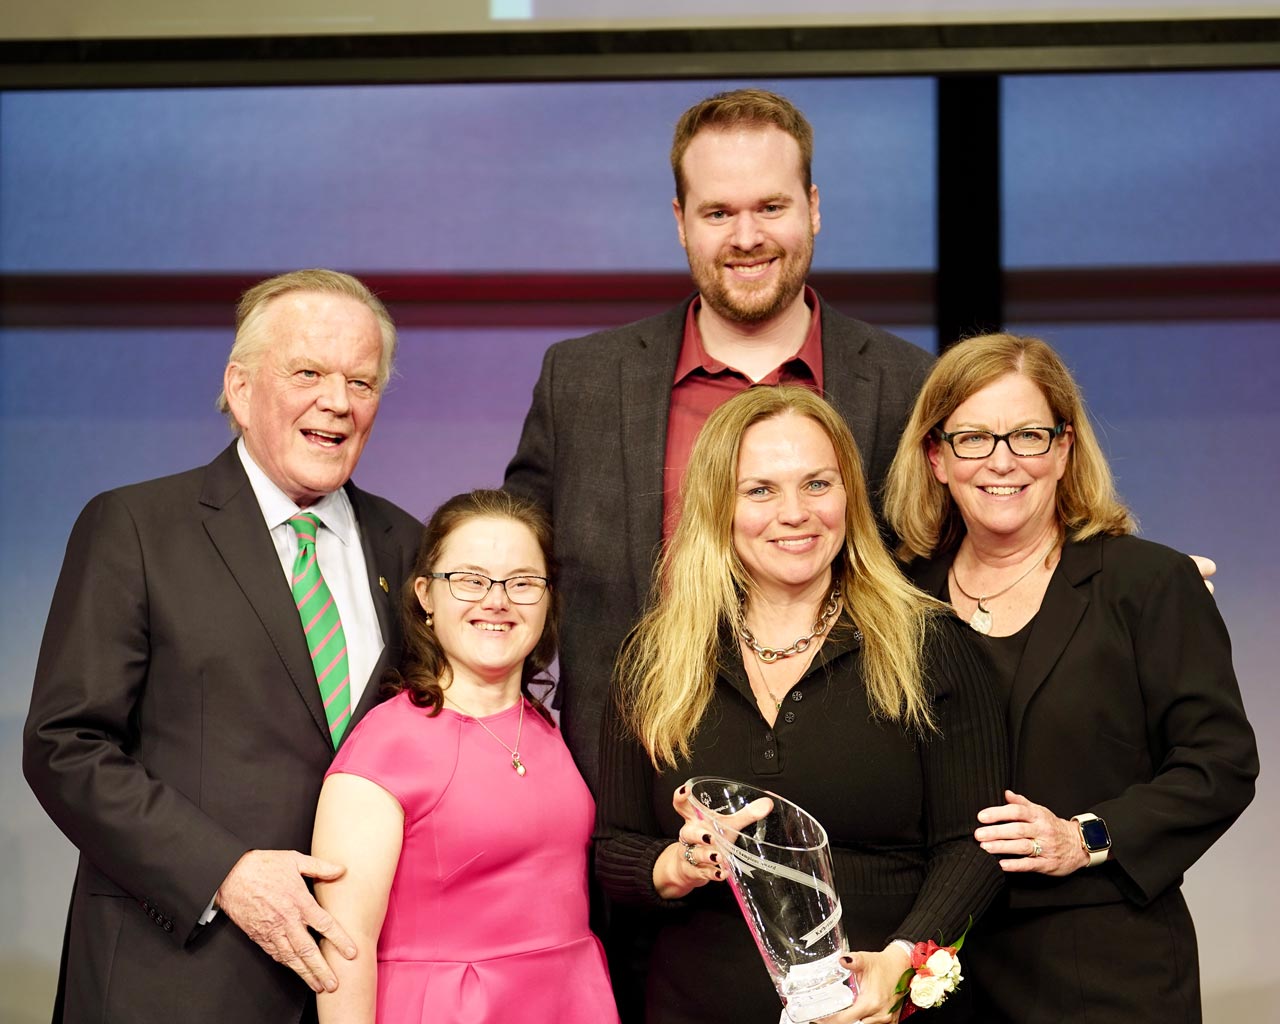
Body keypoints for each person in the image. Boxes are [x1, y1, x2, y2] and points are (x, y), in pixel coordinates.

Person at [504, 88, 934, 794]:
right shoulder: (579, 382)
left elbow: (959, 570)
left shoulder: (908, 384)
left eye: (770, 207)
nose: (746, 237)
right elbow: (513, 569)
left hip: (852, 795)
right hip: (626, 798)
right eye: (718, 212)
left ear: (814, 207)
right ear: (680, 222)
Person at [23, 269, 423, 1023]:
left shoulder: (409, 548)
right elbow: (65, 745)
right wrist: (225, 872)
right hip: (175, 976)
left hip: (357, 985)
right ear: (240, 390)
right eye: (308, 373)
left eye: (362, 382)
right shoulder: (136, 528)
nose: (337, 402)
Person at [595, 385, 1006, 1024]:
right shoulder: (651, 658)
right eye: (760, 490)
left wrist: (903, 962)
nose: (795, 513)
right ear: (717, 507)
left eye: (817, 484)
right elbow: (611, 849)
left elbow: (975, 844)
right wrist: (680, 863)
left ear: (849, 496)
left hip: (887, 1011)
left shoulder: (930, 643)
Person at [882, 332, 1258, 1023]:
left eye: (1028, 435)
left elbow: (1220, 766)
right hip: (941, 982)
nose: (1002, 461)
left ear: (1063, 449)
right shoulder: (898, 599)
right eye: (973, 438)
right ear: (936, 457)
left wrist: (1083, 837)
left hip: (1109, 973)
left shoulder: (1148, 583)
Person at [311, 489, 618, 1024]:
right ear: (426, 595)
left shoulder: (547, 726)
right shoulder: (386, 746)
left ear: (547, 601)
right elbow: (344, 947)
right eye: (471, 580)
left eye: (523, 582)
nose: (496, 600)